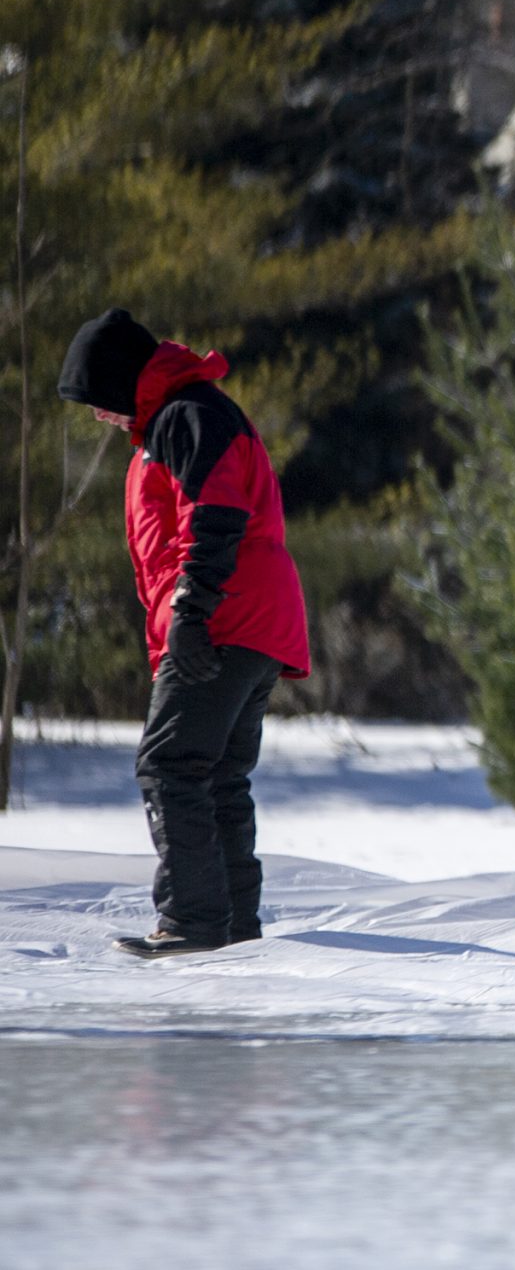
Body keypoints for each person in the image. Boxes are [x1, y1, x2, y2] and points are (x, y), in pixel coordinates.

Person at [57, 309, 310, 957]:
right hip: (253, 619)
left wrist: (193, 613)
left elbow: (217, 512)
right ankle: (233, 930)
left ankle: (193, 924)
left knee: (170, 765)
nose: (96, 416)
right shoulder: (183, 416)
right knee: (219, 775)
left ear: (119, 381)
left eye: (96, 399)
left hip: (224, 618)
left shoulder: (186, 416)